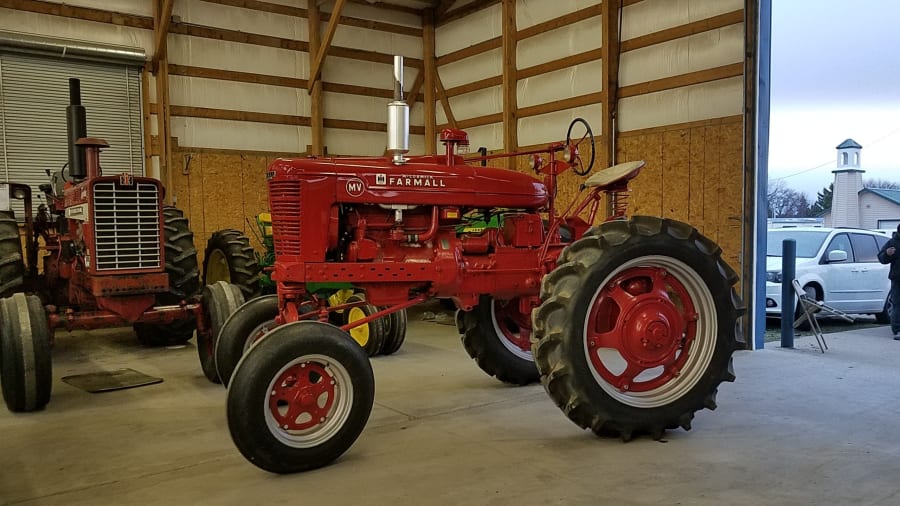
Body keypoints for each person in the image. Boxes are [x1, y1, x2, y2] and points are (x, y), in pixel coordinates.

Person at [877, 224, 900, 339]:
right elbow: (881, 258)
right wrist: (887, 254)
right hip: (898, 278)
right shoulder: (893, 243)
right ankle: (897, 330)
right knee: (898, 304)